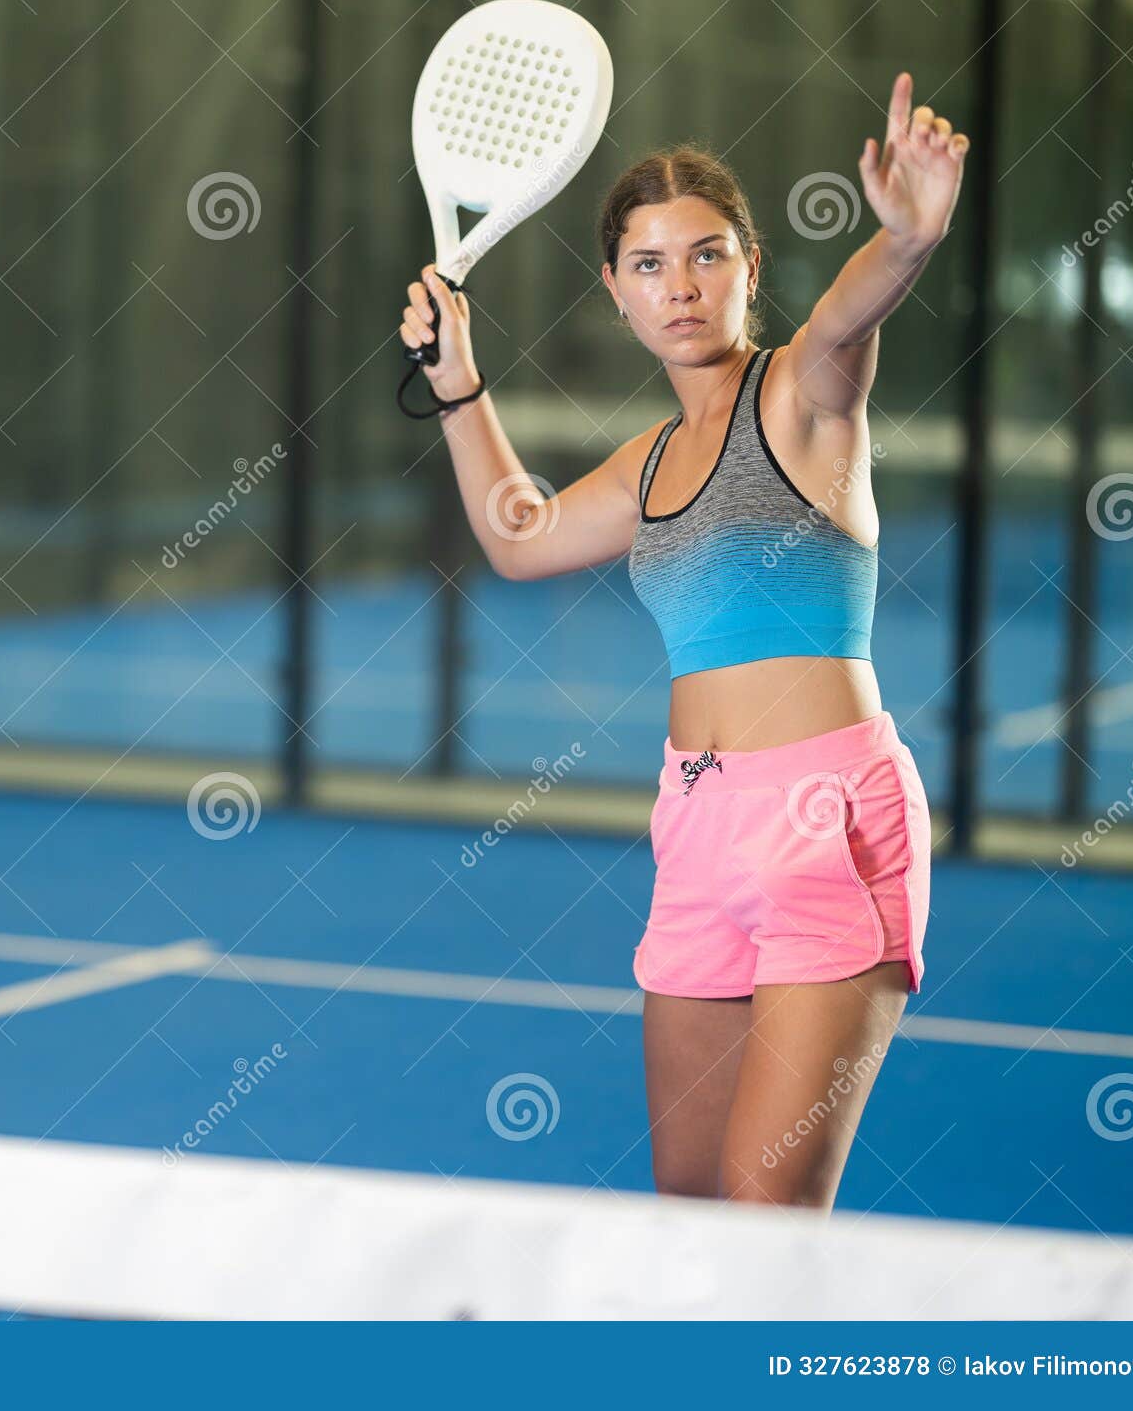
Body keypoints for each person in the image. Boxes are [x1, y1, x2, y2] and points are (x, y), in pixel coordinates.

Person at [398, 71, 968, 1209]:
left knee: (767, 1219)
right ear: (614, 289)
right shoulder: (648, 463)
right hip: (697, 828)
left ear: (750, 267)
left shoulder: (805, 394)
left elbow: (853, 310)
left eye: (707, 255)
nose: (681, 287)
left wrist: (905, 239)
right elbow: (522, 535)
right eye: (650, 264)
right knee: (690, 1214)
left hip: (826, 817)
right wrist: (459, 388)